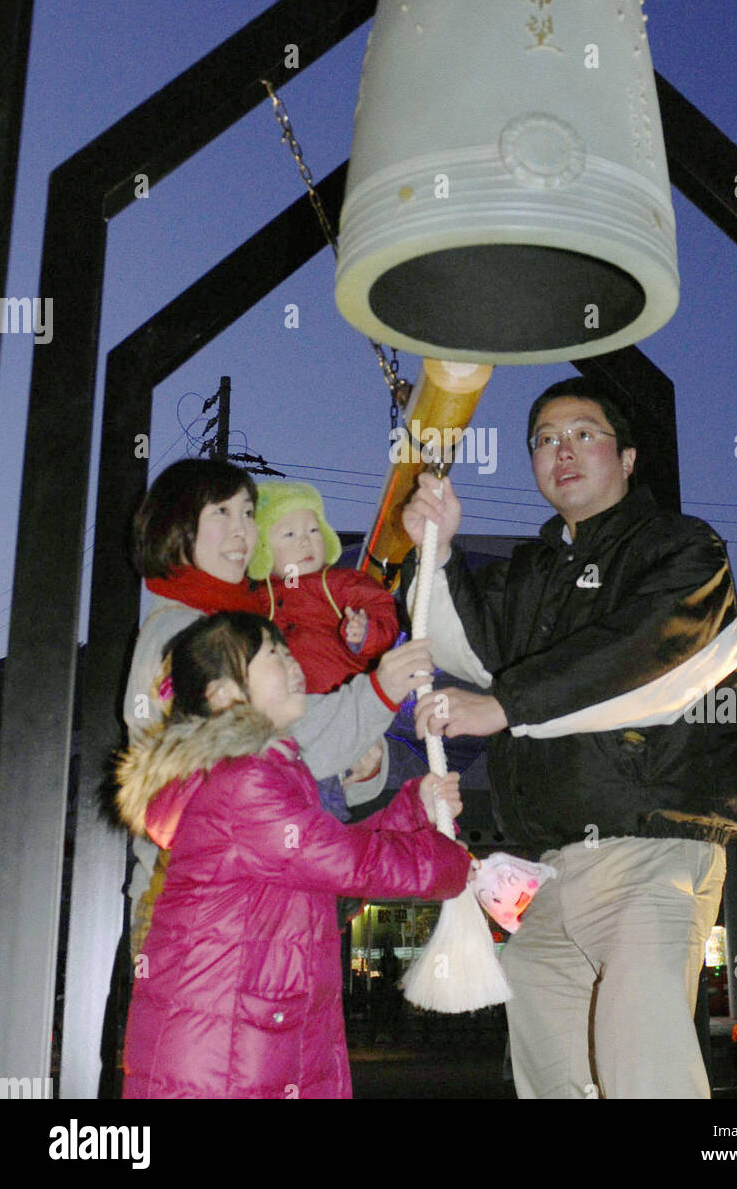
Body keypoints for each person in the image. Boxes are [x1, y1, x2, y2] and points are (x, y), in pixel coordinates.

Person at [402, 376, 737, 1100]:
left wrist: (503, 704)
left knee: (642, 1067)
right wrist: (432, 553)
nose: (559, 451)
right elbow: (466, 650)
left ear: (626, 457)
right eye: (542, 441)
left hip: (652, 848)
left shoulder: (682, 548)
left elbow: (648, 656)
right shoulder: (533, 571)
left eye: (581, 434)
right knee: (554, 1073)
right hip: (552, 869)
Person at [116, 611, 470, 1099]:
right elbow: (343, 860)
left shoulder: (268, 771)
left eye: (287, 649)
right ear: (223, 694)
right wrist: (451, 864)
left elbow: (317, 863)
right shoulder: (241, 779)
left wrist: (413, 811)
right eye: (273, 655)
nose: (292, 662)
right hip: (224, 1049)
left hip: (244, 1034)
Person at [123, 460, 393, 928]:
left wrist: (361, 763)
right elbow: (257, 746)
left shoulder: (253, 624)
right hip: (198, 910)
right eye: (220, 514)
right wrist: (378, 696)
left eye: (248, 513)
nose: (241, 531)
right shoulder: (183, 631)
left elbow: (297, 749)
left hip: (263, 902)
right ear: (177, 528)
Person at [248, 480, 400, 819]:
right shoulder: (253, 603)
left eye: (313, 530)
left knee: (317, 804)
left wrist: (365, 633)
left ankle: (321, 845)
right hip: (277, 728)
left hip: (333, 710)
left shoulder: (339, 584)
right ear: (262, 550)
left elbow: (380, 607)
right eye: (288, 534)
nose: (305, 540)